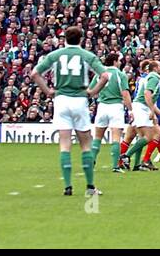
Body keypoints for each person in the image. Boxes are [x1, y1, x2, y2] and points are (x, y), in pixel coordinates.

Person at [29, 26, 109, 198]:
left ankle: (67, 187)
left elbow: (35, 73)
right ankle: (89, 187)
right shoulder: (87, 56)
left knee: (65, 144)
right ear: (81, 39)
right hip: (79, 100)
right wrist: (93, 91)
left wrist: (48, 91)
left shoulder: (55, 55)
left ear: (64, 38)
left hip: (61, 100)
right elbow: (105, 76)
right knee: (85, 145)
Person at [91, 52, 132, 174]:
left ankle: (91, 162)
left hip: (102, 106)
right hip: (115, 107)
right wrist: (130, 109)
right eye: (119, 60)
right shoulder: (120, 75)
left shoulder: (99, 74)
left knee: (97, 137)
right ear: (114, 61)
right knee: (116, 137)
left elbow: (91, 90)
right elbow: (125, 94)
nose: (120, 62)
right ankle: (115, 166)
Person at [119, 60, 160, 172]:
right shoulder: (153, 77)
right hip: (141, 108)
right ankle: (126, 156)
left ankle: (138, 163)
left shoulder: (146, 78)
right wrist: (152, 112)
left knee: (142, 136)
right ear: (154, 68)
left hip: (140, 106)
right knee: (148, 136)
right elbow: (147, 94)